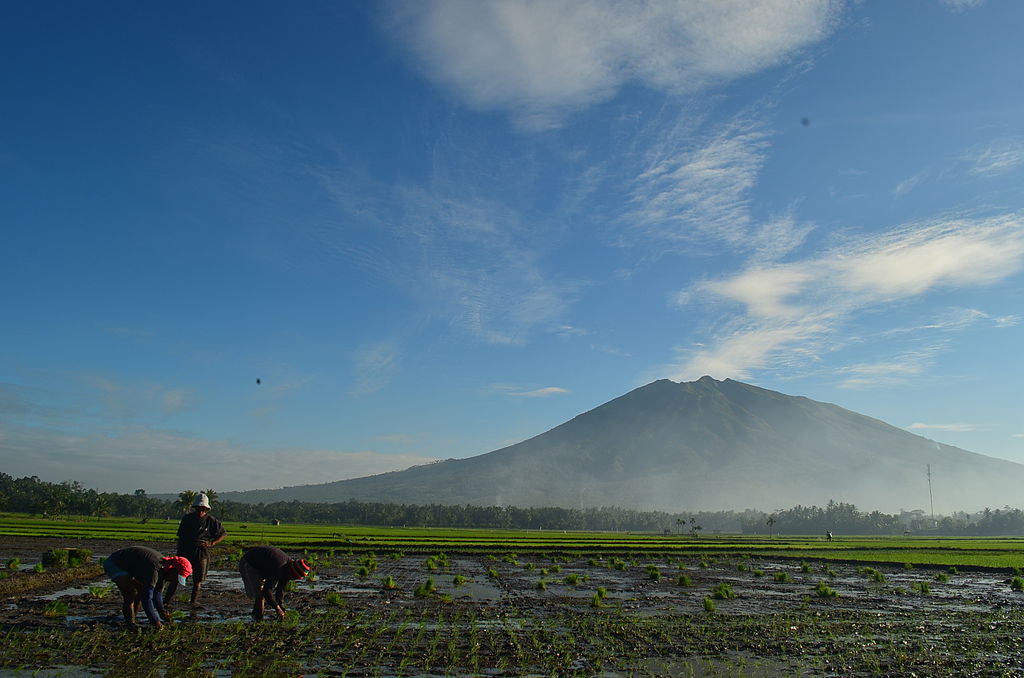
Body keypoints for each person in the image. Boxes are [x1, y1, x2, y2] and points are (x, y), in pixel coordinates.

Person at [103, 546, 192, 630]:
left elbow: (157, 595)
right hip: (115, 564)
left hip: (132, 566)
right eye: (177, 577)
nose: (175, 581)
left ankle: (133, 619)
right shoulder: (154, 569)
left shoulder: (165, 571)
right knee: (130, 595)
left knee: (142, 590)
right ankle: (130, 624)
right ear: (173, 570)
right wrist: (155, 622)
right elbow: (147, 598)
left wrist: (162, 613)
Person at [165, 492, 227, 608]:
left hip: (201, 553)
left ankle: (193, 602)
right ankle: (166, 601)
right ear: (195, 508)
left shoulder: (211, 521)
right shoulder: (187, 519)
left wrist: (211, 543)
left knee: (198, 581)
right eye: (199, 508)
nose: (201, 511)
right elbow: (181, 537)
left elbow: (223, 534)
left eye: (203, 508)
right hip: (185, 552)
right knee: (176, 577)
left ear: (207, 509)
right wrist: (179, 554)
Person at [238, 545, 311, 621]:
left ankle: (256, 616)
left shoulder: (288, 568)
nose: (293, 579)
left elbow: (280, 590)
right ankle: (258, 618)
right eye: (294, 577)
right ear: (292, 572)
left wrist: (280, 606)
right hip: (249, 563)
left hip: (262, 566)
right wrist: (277, 608)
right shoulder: (279, 567)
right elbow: (267, 591)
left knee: (261, 595)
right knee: (259, 595)